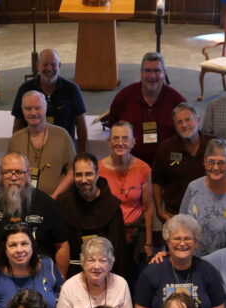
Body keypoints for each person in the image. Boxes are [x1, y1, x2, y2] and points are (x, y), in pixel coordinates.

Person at [0, 152, 70, 274]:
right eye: (7, 172)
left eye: (19, 172)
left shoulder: (47, 204)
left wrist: (60, 282)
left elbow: (62, 245)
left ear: (28, 174)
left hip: (39, 278)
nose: (13, 177)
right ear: (0, 174)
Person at [132, 214, 226, 308]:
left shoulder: (207, 271)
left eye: (187, 238)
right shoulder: (152, 271)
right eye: (177, 238)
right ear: (167, 242)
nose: (182, 243)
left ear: (195, 242)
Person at [100, 51, 186, 166]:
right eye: (147, 71)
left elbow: (187, 136)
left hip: (168, 167)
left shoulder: (177, 101)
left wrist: (177, 164)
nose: (152, 76)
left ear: (164, 73)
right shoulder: (124, 97)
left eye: (157, 71)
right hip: (130, 167)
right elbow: (113, 130)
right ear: (141, 73)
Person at [53, 236, 135, 308]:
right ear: (82, 262)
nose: (96, 266)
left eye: (102, 260)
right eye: (91, 260)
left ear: (110, 264)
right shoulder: (69, 287)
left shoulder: (121, 284)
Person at [55, 154, 127, 277]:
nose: (83, 180)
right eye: (78, 175)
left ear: (97, 174)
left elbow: (118, 252)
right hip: (72, 273)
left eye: (88, 174)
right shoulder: (62, 203)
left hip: (104, 274)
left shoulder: (112, 206)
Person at [98, 120, 154, 270]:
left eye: (125, 138)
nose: (120, 143)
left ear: (133, 142)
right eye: (115, 138)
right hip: (109, 235)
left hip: (135, 237)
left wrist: (148, 242)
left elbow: (148, 208)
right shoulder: (99, 169)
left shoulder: (143, 169)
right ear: (109, 142)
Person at [179, 139, 226, 256]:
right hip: (195, 261)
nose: (215, 168)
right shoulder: (194, 187)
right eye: (211, 162)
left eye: (221, 163)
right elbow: (181, 224)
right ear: (204, 163)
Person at [151, 103, 214, 231]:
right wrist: (159, 210)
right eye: (179, 122)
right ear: (175, 126)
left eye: (188, 120)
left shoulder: (214, 145)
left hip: (210, 215)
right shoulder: (166, 149)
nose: (184, 125)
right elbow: (156, 181)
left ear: (198, 120)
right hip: (175, 216)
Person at [10, 48, 87, 149]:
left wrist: (81, 155)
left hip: (63, 148)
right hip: (31, 148)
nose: (49, 68)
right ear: (37, 66)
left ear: (59, 66)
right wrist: (15, 150)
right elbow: (18, 122)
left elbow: (81, 124)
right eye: (45, 64)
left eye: (53, 64)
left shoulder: (71, 89)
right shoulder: (25, 89)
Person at [7, 91, 74, 197]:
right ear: (22, 110)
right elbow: (8, 173)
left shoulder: (62, 136)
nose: (33, 113)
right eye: (28, 108)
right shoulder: (16, 139)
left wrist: (55, 196)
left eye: (38, 108)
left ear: (46, 108)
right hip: (23, 201)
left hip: (55, 202)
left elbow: (72, 171)